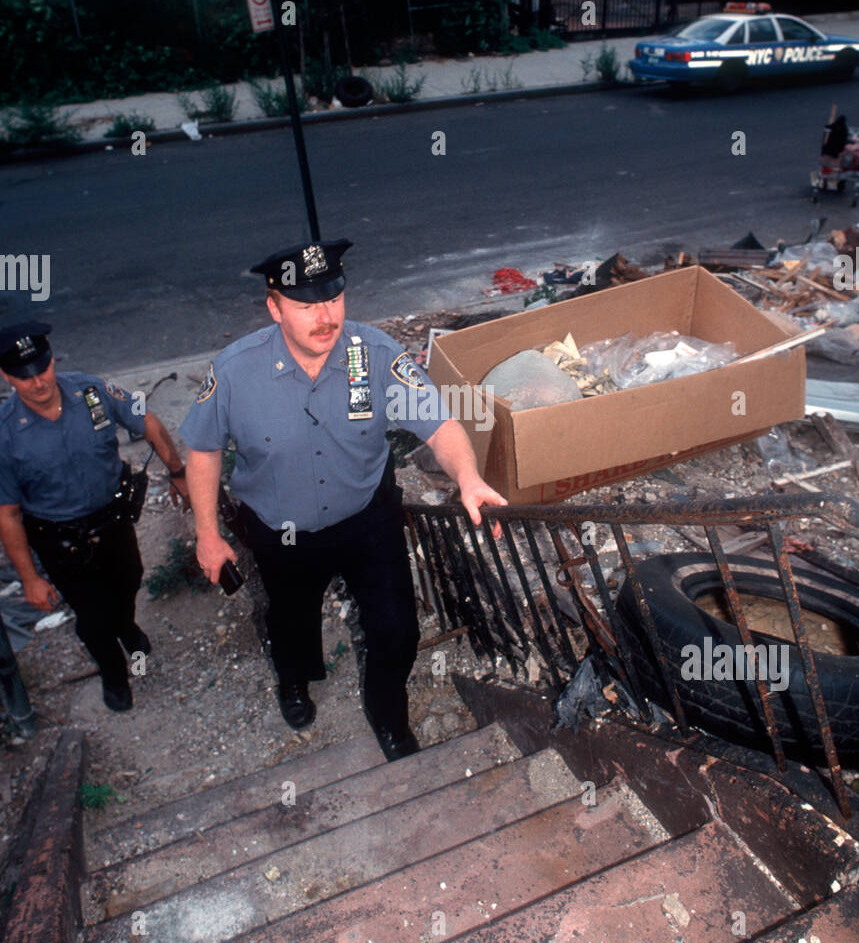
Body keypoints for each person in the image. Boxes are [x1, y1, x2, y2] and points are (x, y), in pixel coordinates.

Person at [181, 239, 506, 761]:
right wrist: (207, 534)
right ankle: (295, 681)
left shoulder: (373, 354)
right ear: (274, 308)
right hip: (281, 531)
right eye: (306, 305)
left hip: (366, 521)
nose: (324, 316)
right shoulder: (236, 371)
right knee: (290, 621)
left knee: (396, 627)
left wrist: (468, 477)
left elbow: (439, 422)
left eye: (332, 299)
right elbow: (202, 451)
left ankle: (388, 714)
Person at [0, 322, 189, 713]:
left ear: (53, 359)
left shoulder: (91, 390)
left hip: (113, 519)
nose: (37, 382)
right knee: (90, 615)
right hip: (59, 538)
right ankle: (115, 675)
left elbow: (147, 421)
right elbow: (8, 514)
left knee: (130, 577)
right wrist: (30, 579)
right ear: (5, 376)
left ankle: (126, 625)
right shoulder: (5, 435)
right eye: (24, 376)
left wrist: (177, 472)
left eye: (43, 368)